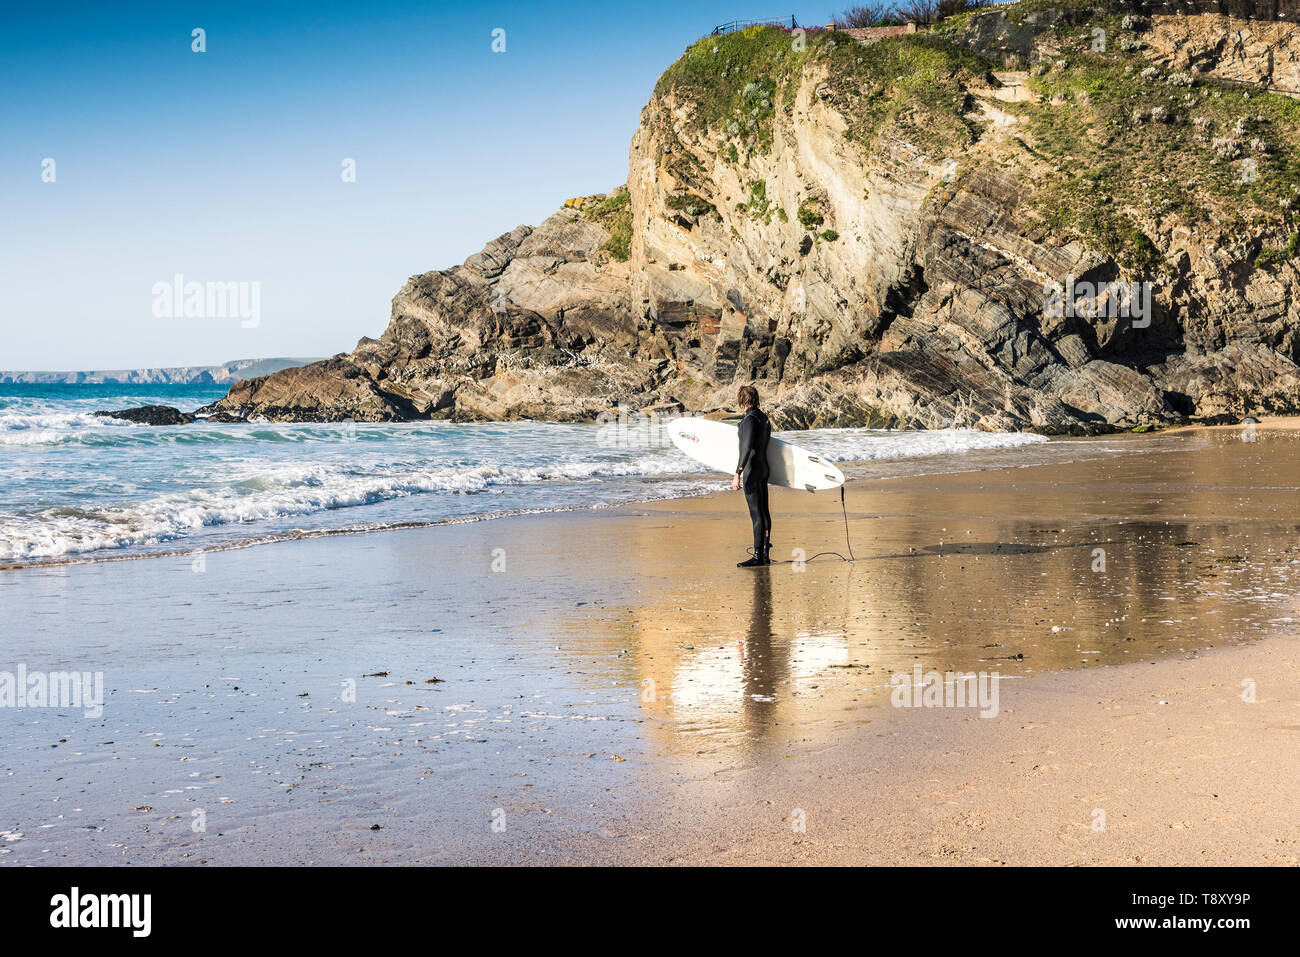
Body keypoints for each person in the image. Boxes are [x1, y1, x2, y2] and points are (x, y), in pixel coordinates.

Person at [731, 385, 772, 567]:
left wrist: (738, 473)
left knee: (756, 515)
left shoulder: (749, 420)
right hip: (763, 468)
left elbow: (746, 449)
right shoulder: (763, 418)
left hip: (752, 471)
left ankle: (757, 557)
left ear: (742, 402)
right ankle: (764, 554)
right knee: (764, 513)